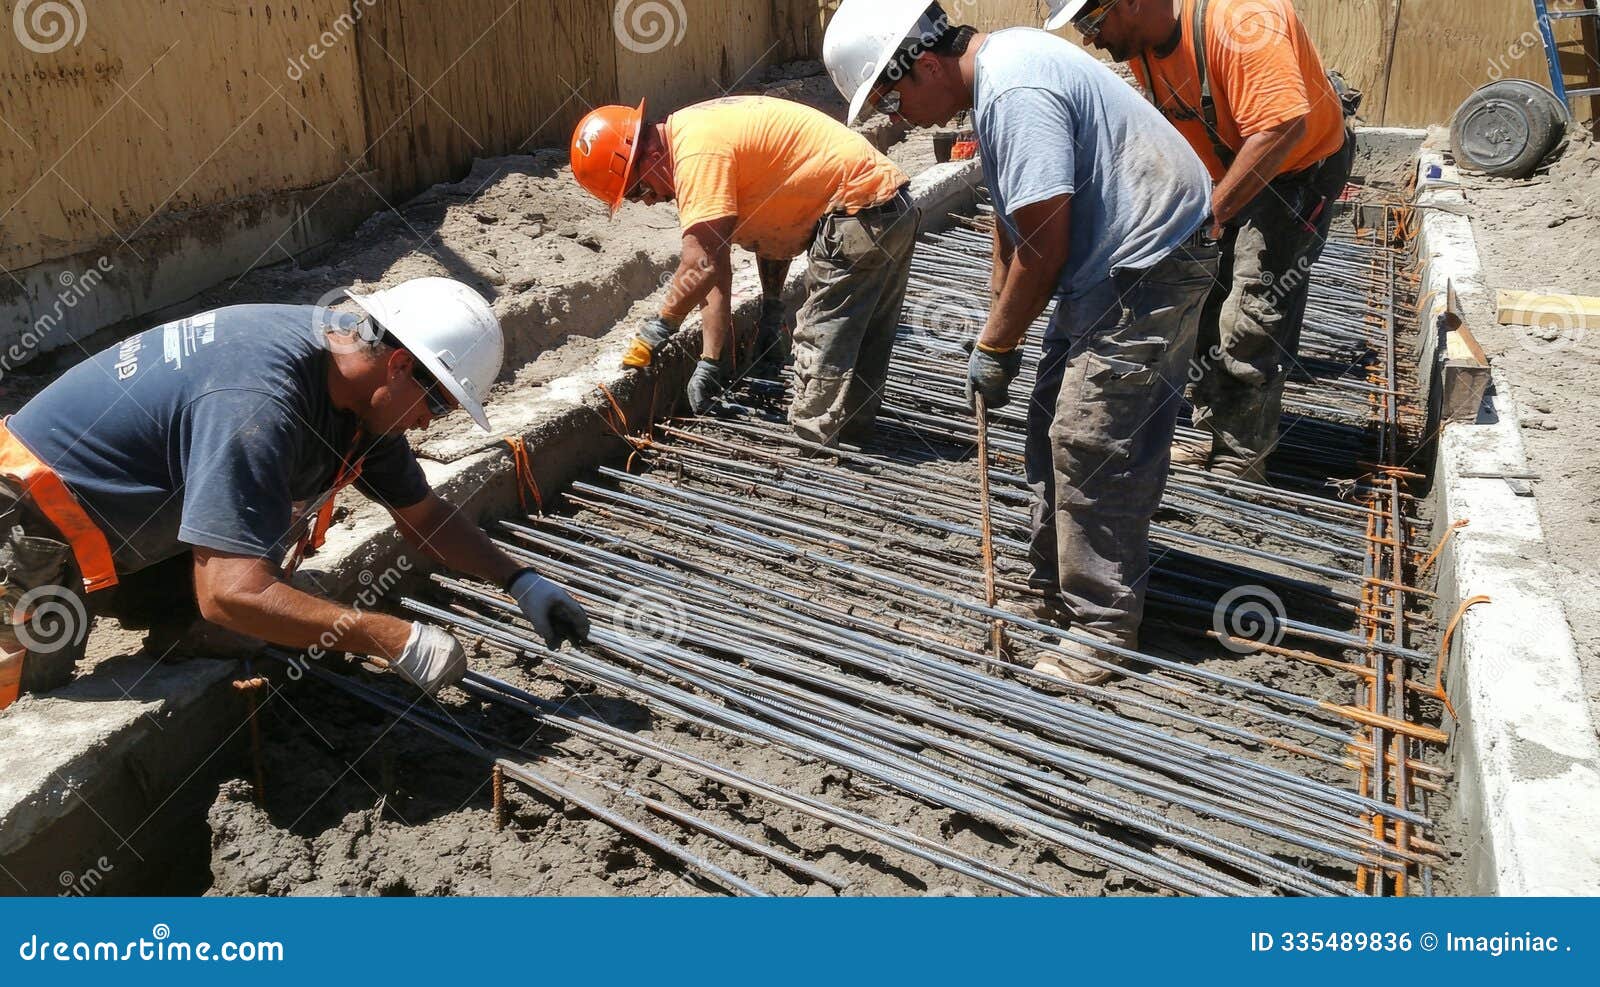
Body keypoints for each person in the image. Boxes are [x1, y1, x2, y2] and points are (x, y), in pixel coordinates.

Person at [824, 1, 1219, 682]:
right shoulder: (998, 79)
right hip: (1108, 259)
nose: (897, 116)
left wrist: (1001, 346)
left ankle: (1102, 627)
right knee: (1049, 423)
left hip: (1151, 259)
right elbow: (1018, 223)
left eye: (890, 96)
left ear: (920, 62)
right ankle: (1051, 585)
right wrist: (993, 327)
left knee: (1093, 440)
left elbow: (1045, 246)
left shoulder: (1015, 91)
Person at [0, 277, 590, 709]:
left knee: (257, 615)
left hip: (125, 514)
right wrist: (389, 636)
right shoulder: (259, 400)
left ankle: (160, 616)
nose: (431, 424)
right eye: (436, 403)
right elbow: (229, 594)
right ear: (401, 366)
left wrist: (521, 580)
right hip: (31, 517)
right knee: (25, 693)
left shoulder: (356, 387)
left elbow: (424, 516)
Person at [1051, 0, 1357, 482]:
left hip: (1295, 173)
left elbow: (1281, 127)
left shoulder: (1241, 20)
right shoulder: (1142, 41)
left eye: (1091, 22)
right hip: (1223, 172)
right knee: (1205, 296)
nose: (1089, 38)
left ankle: (1240, 458)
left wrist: (1213, 215)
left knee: (1252, 313)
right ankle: (1207, 424)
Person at [569, 94, 919, 446]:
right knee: (868, 334)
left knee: (823, 337)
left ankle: (812, 449)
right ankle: (854, 436)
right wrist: (720, 352)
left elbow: (699, 262)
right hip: (891, 207)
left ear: (650, 155)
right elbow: (723, 261)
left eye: (637, 189)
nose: (647, 200)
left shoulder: (695, 156)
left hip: (856, 214)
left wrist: (658, 329)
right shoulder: (694, 131)